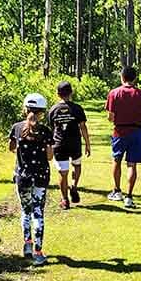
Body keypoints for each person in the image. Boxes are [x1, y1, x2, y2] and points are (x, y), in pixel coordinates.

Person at [9, 93, 53, 266]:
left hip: (23, 175)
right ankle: (38, 252)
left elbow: (11, 147)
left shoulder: (17, 128)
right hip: (41, 176)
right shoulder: (45, 131)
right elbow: (50, 156)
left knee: (25, 211)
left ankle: (27, 245)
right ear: (42, 112)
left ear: (25, 109)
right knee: (38, 213)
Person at [105, 65, 141, 208]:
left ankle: (117, 190)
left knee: (117, 160)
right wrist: (138, 116)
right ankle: (129, 196)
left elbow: (110, 117)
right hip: (136, 132)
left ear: (122, 77)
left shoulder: (114, 93)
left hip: (119, 132)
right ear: (135, 78)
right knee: (132, 164)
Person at [48, 81, 91, 210]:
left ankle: (65, 200)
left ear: (57, 94)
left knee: (63, 172)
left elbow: (51, 129)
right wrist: (88, 144)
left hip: (59, 144)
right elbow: (83, 127)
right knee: (77, 165)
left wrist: (49, 146)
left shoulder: (53, 109)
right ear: (71, 93)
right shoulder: (77, 108)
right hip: (75, 144)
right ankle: (74, 186)